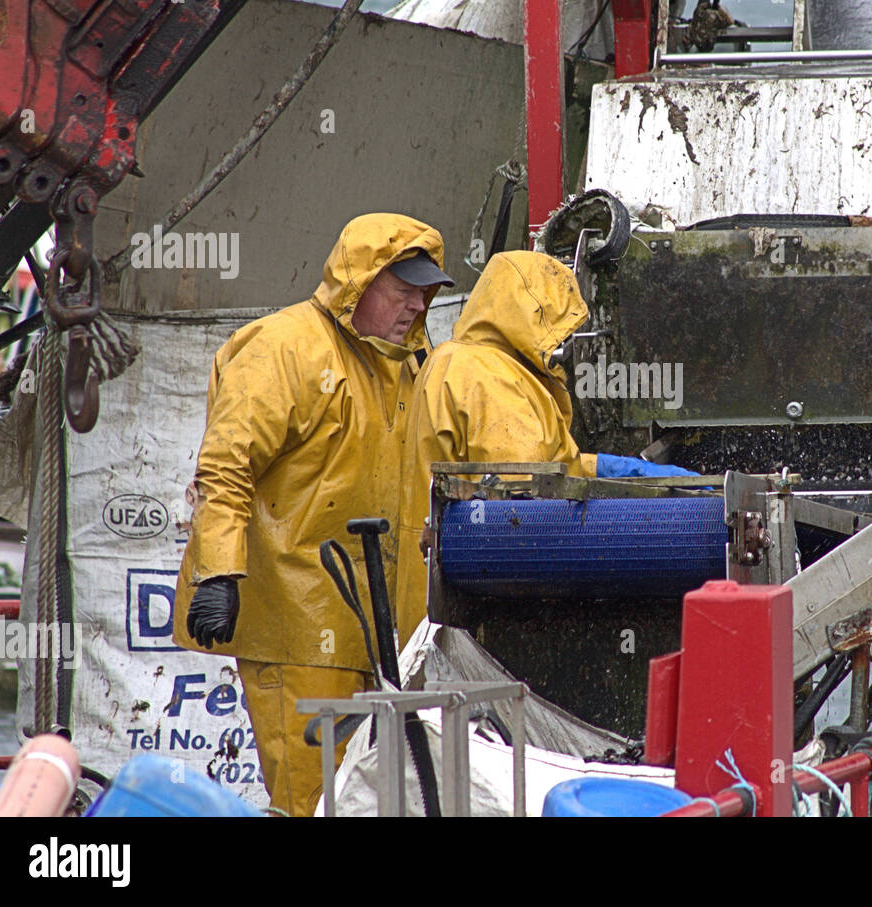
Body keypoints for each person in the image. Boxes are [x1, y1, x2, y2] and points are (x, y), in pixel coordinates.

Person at [172, 213, 453, 817]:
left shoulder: (409, 366)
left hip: (381, 636)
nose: (415, 306)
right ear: (359, 283)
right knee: (309, 801)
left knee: (367, 804)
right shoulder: (283, 346)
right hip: (297, 628)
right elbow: (225, 467)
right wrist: (218, 572)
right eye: (401, 290)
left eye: (424, 293)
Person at [405, 249, 693, 602]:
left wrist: (600, 469)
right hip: (472, 605)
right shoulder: (488, 378)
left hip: (436, 588)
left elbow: (529, 464)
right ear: (528, 315)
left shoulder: (460, 358)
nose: (563, 344)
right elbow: (524, 514)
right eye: (559, 328)